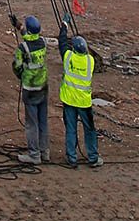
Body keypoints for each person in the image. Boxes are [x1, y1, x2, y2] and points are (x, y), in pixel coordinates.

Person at [58, 19, 101, 168]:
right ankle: (93, 157)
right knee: (89, 129)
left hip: (69, 100)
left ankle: (72, 157)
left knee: (71, 129)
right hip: (84, 102)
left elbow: (62, 44)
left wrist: (64, 25)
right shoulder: (90, 61)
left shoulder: (68, 57)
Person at [10, 13, 50, 165]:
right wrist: (18, 25)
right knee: (42, 120)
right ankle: (44, 151)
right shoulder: (43, 42)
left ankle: (34, 155)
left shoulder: (23, 48)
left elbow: (17, 66)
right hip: (43, 87)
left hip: (30, 88)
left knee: (31, 123)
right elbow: (30, 37)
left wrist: (21, 75)